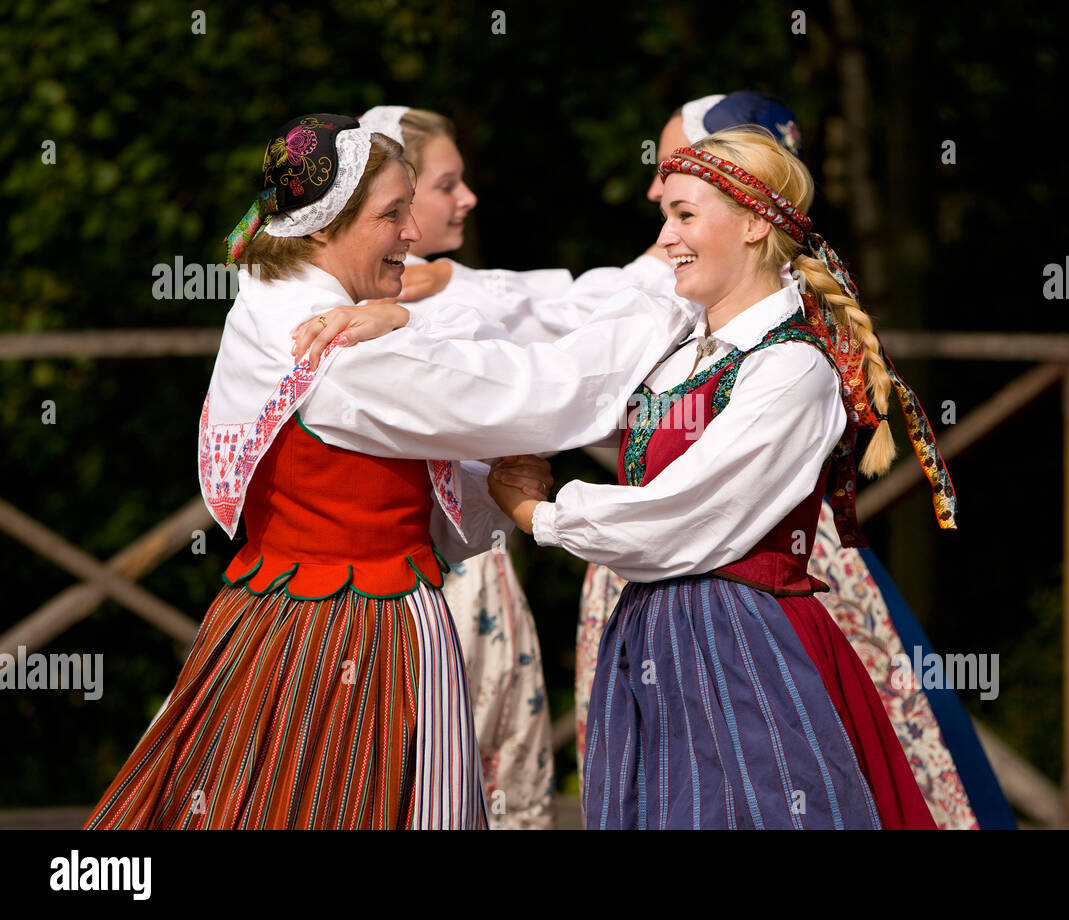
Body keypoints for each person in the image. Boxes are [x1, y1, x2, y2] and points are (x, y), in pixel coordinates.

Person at [83, 113, 696, 830]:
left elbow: (465, 345)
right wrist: (678, 297)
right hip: (364, 630)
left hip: (269, 615)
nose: (412, 233)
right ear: (321, 227)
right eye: (392, 214)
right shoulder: (346, 352)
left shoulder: (270, 294)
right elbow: (542, 388)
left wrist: (409, 319)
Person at [572, 92, 1014, 829]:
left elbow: (692, 511)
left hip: (743, 624)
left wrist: (544, 512)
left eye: (682, 212)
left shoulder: (787, 362)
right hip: (654, 621)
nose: (663, 222)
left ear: (752, 221)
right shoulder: (683, 342)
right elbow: (566, 338)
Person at [355, 104, 557, 830]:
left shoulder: (471, 291)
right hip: (403, 589)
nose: (466, 198)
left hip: (478, 578)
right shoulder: (338, 306)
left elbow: (566, 314)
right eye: (448, 184)